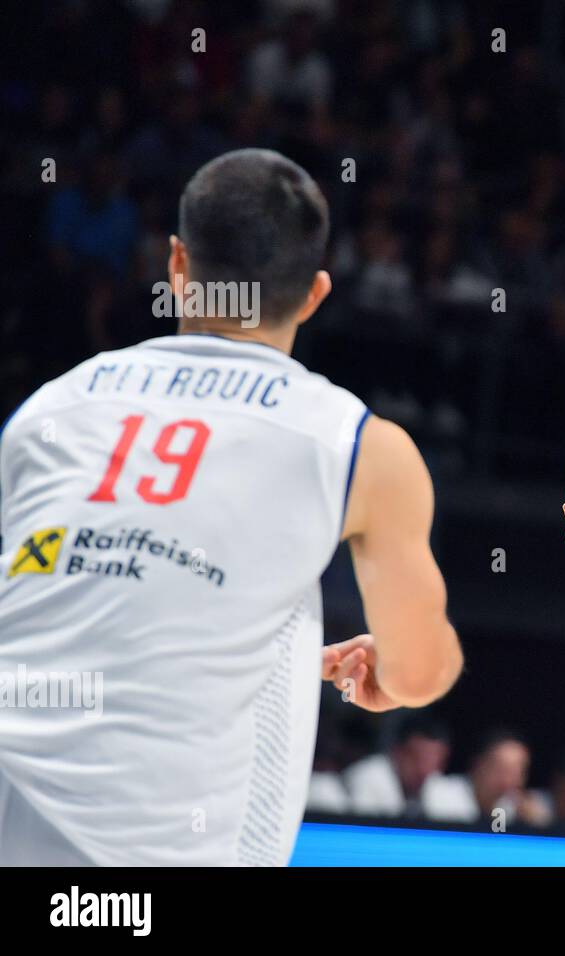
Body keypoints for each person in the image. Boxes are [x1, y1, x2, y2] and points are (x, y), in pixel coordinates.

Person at [0, 148, 463, 866]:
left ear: (176, 266)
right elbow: (420, 675)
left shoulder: (51, 406)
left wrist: (260, 651)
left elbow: (70, 604)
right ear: (315, 294)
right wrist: (389, 668)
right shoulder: (357, 444)